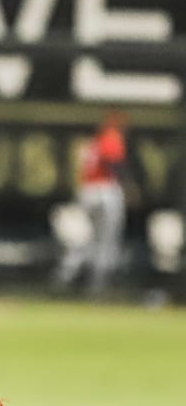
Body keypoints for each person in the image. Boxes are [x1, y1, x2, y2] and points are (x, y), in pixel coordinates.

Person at [56, 109, 131, 294]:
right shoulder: (111, 136)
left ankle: (66, 277)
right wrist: (128, 185)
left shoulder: (93, 142)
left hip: (87, 191)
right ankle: (98, 285)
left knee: (82, 239)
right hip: (105, 190)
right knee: (106, 241)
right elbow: (112, 162)